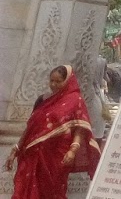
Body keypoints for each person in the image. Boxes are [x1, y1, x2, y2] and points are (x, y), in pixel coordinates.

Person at [5, 65, 101, 199]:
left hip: (56, 155)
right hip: (31, 153)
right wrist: (16, 149)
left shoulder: (74, 100)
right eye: (51, 81)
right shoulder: (42, 100)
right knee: (25, 187)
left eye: (58, 81)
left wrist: (73, 150)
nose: (54, 84)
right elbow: (31, 128)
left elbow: (79, 127)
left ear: (67, 80)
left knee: (52, 190)